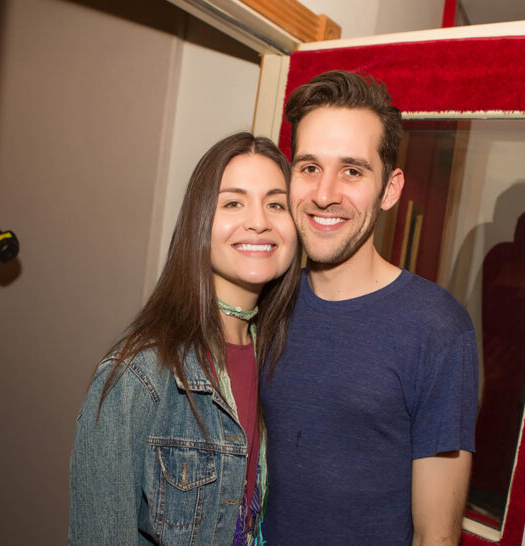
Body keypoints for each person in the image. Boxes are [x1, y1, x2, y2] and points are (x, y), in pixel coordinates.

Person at [260, 70, 479, 544]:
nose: (324, 194)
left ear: (391, 189)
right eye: (309, 167)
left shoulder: (438, 330)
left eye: (353, 171)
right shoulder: (268, 303)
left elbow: (435, 537)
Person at [69, 132, 300, 545]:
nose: (259, 221)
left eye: (276, 204)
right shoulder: (138, 375)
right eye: (233, 202)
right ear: (200, 222)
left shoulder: (282, 357)